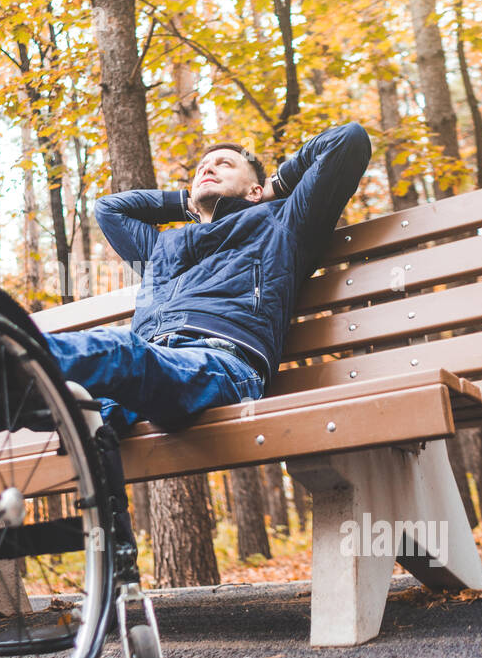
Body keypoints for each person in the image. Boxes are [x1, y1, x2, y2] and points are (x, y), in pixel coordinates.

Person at [44, 122, 372, 436]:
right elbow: (108, 209)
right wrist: (189, 203)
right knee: (59, 405)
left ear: (256, 190)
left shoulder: (282, 223)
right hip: (149, 368)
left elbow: (348, 140)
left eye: (225, 164)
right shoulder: (163, 245)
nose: (208, 168)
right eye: (202, 166)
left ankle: (10, 352)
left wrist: (275, 187)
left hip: (223, 365)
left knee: (115, 351)